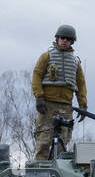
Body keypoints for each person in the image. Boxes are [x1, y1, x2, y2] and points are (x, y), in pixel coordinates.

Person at [32, 24, 87, 160]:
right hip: (47, 106)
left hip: (66, 107)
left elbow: (81, 83)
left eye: (68, 39)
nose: (64, 41)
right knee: (44, 141)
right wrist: (39, 97)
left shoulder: (75, 62)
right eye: (62, 38)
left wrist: (83, 105)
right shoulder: (47, 56)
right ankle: (39, 174)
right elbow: (36, 75)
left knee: (63, 142)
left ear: (72, 42)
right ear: (57, 39)